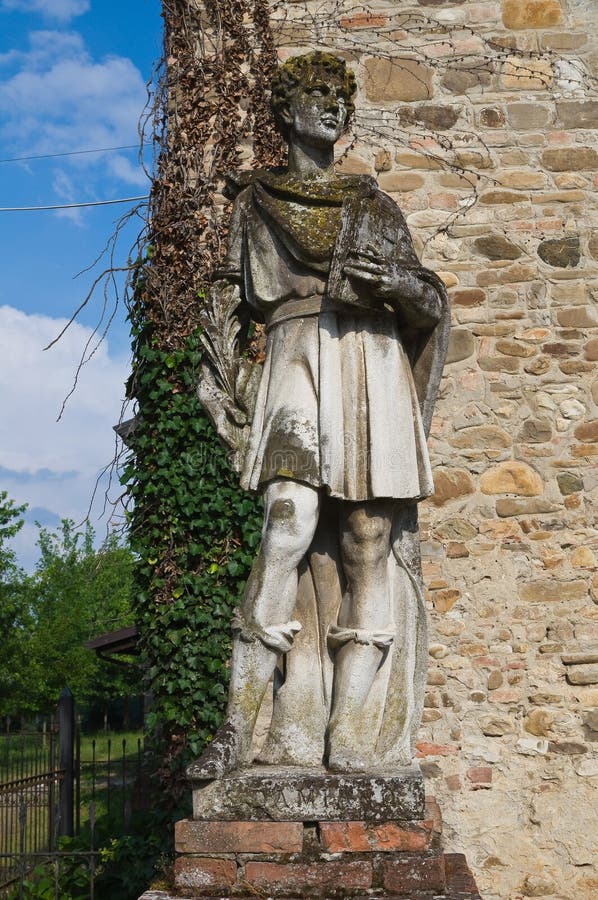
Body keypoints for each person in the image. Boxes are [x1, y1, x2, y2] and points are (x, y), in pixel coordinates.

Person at [194, 51, 449, 778]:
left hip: (369, 362)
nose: (332, 105)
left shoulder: (374, 207)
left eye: (340, 97)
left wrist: (396, 283)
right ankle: (239, 725)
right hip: (295, 356)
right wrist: (221, 386)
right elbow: (224, 303)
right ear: (285, 111)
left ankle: (351, 732)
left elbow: (429, 304)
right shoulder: (255, 203)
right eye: (315, 93)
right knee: (287, 521)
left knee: (368, 537)